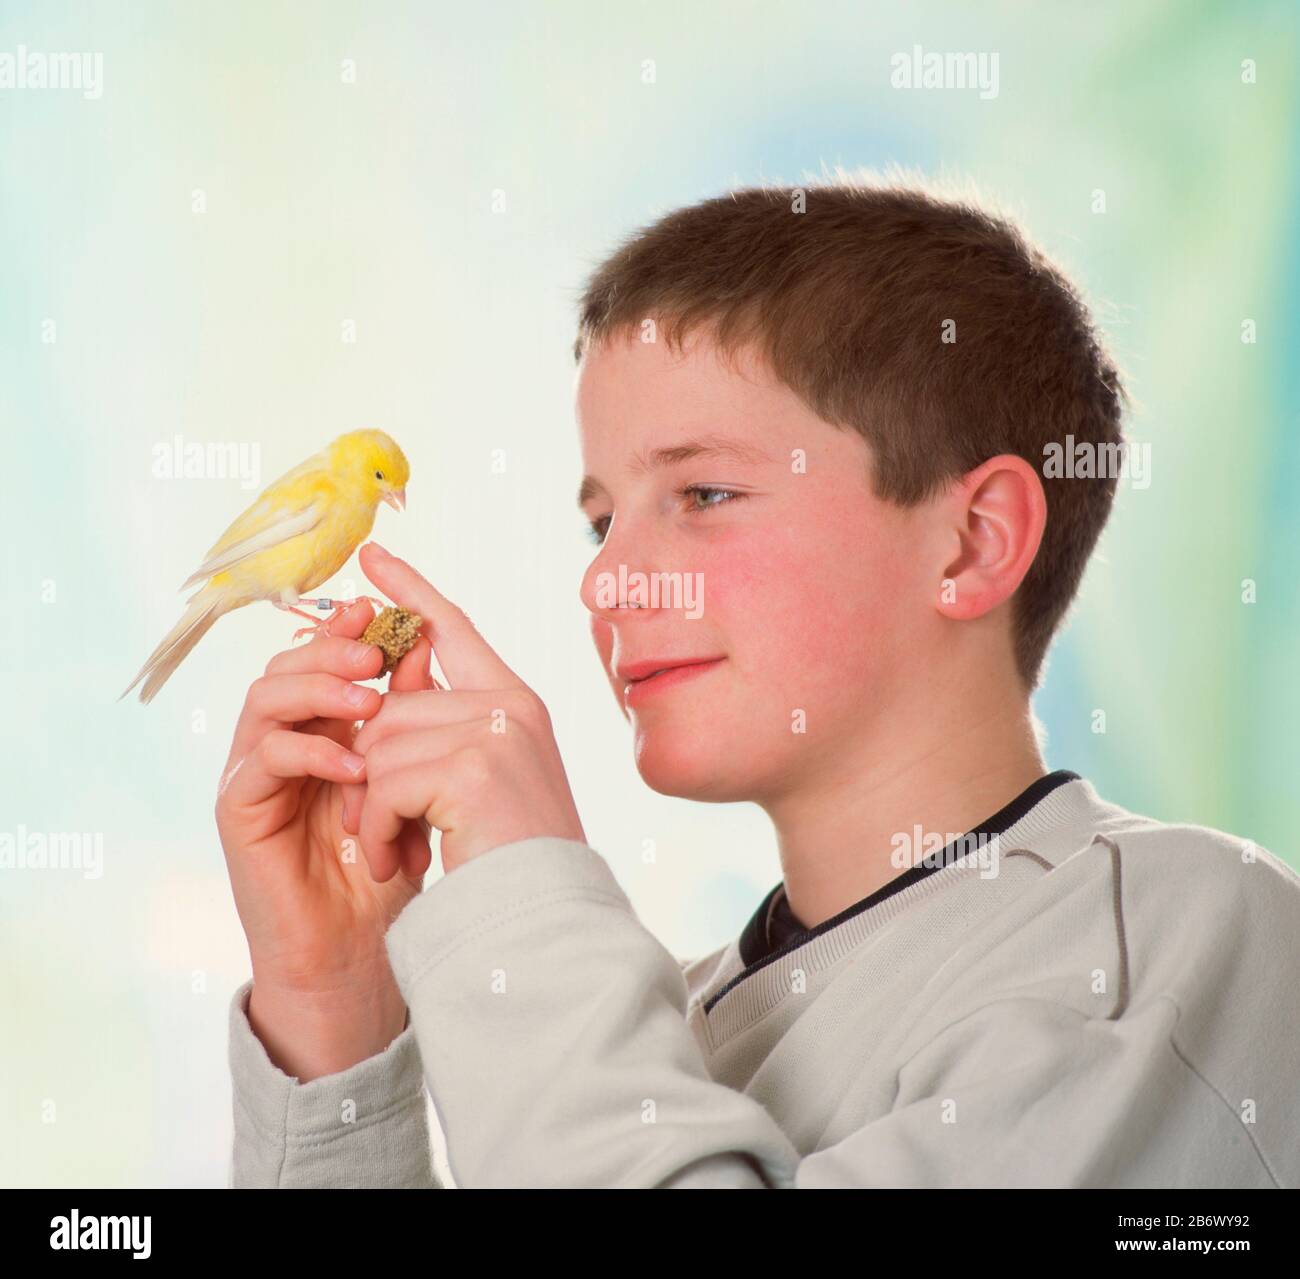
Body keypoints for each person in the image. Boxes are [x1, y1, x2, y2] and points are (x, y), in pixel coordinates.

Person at [220, 177, 1300, 1188]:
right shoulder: (669, 1040)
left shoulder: (1194, 940)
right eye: (601, 522)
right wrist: (336, 1021)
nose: (605, 581)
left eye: (704, 492)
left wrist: (523, 887)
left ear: (972, 542)